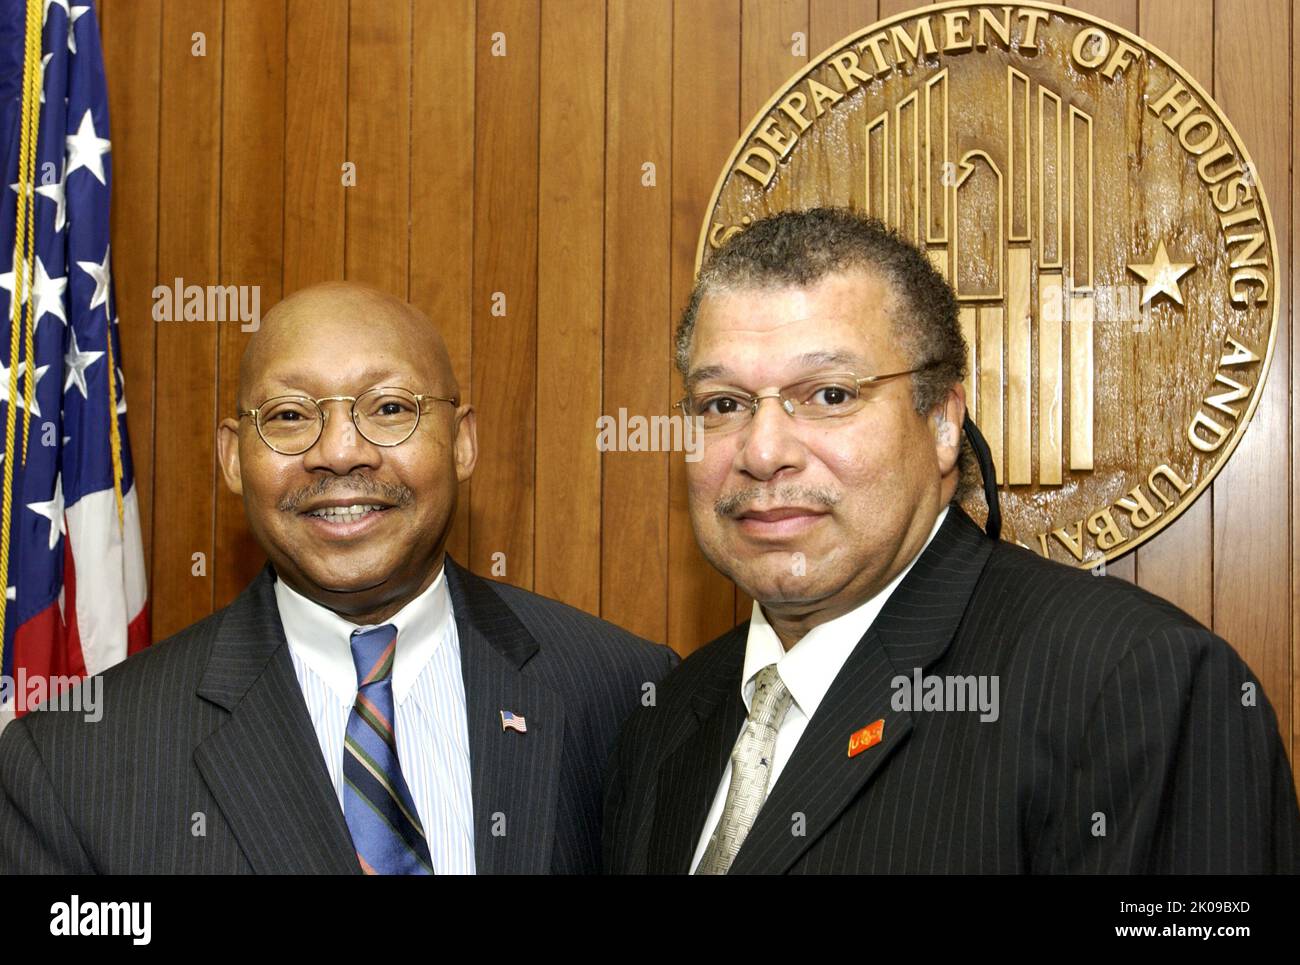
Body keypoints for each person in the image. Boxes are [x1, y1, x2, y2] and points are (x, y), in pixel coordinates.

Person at [603, 207, 1300, 874]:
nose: (763, 450)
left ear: (942, 423)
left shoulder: (1134, 688)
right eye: (723, 404)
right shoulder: (666, 717)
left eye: (830, 395)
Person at [0, 281, 674, 874]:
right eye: (290, 415)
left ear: (463, 441)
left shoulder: (626, 697)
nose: (340, 451)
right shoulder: (73, 762)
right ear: (234, 459)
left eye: (389, 408)